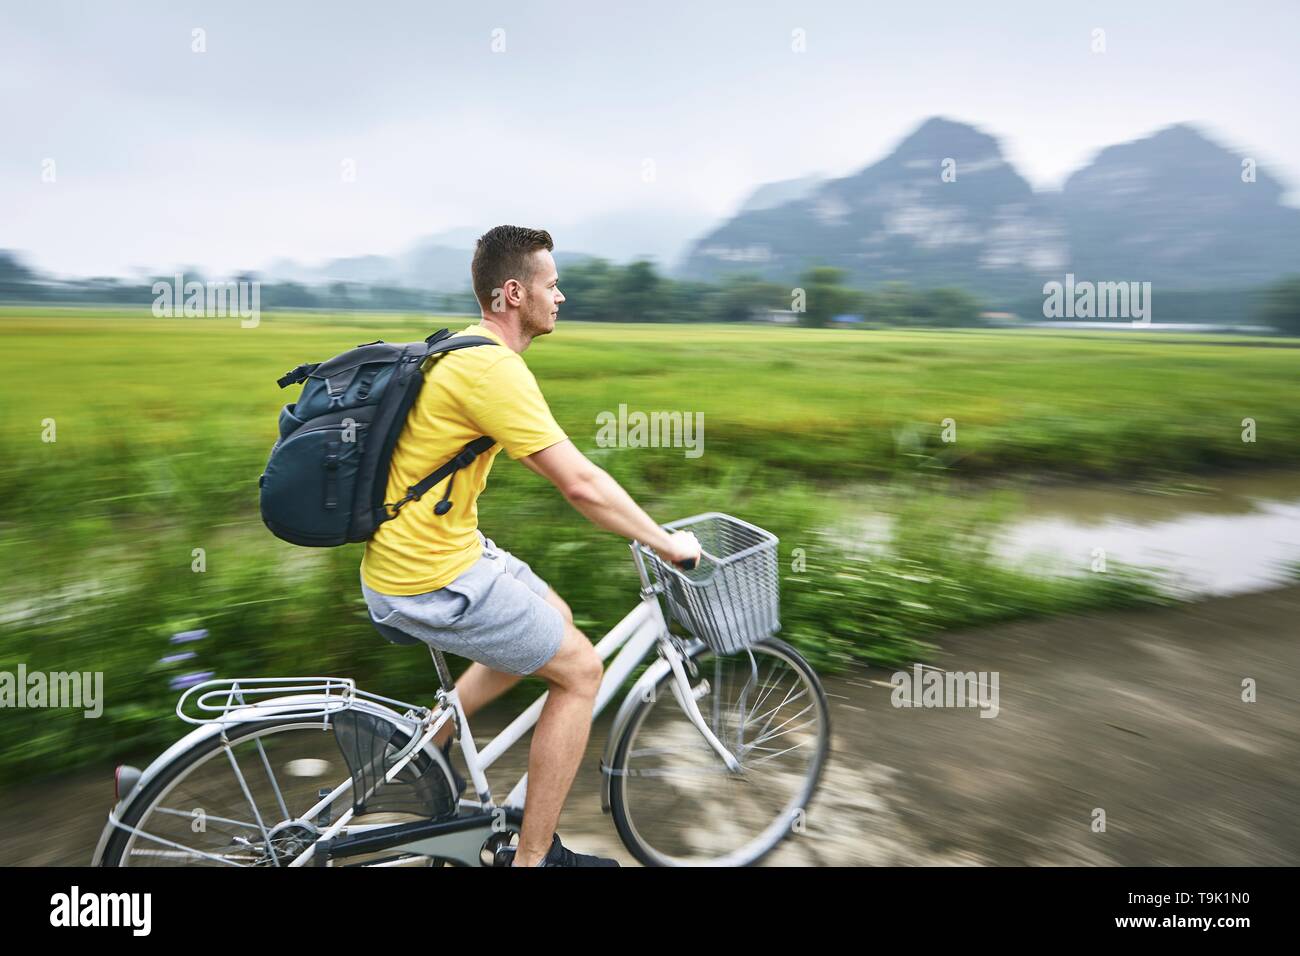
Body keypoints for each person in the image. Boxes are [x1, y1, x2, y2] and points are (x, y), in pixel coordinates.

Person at [360, 225, 701, 867]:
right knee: (581, 672)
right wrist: (662, 540)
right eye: (551, 284)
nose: (561, 296)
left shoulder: (459, 347)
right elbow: (580, 484)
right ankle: (534, 857)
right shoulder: (492, 368)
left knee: (557, 619)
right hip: (430, 574)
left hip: (431, 551)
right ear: (514, 293)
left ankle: (424, 753)